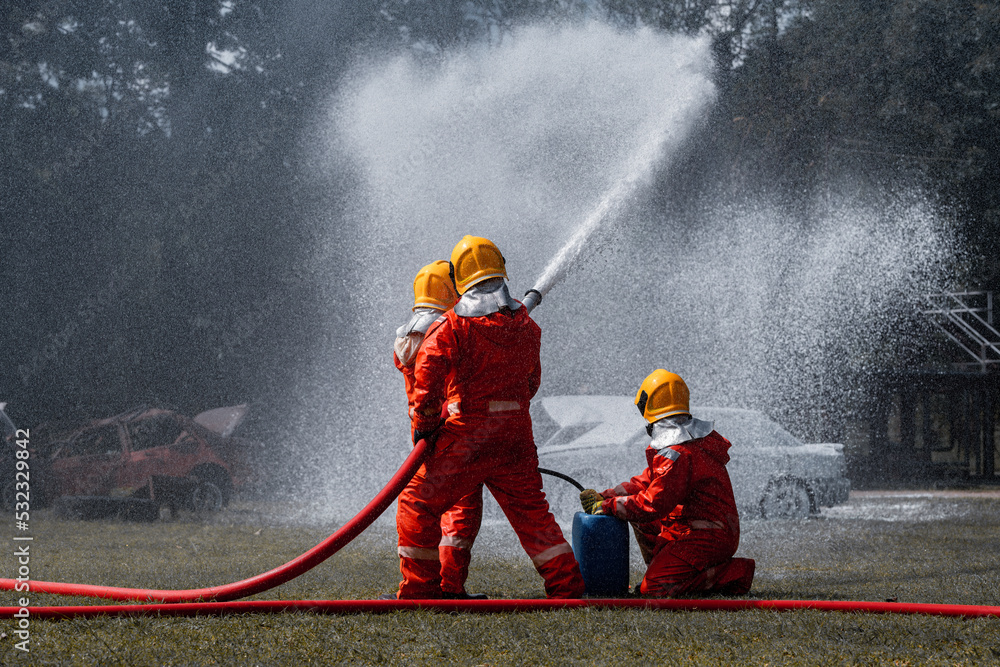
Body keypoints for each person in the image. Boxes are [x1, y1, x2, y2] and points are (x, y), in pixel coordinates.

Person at [391, 235, 585, 599]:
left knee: (417, 502)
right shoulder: (527, 326)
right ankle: (567, 588)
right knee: (533, 515)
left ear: (460, 279)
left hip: (467, 436)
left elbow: (428, 378)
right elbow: (531, 383)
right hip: (516, 438)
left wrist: (426, 425)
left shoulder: (452, 328)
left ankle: (421, 590)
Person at [579, 369, 755, 597]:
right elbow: (646, 483)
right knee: (637, 516)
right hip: (703, 529)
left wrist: (608, 506)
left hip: (708, 536)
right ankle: (668, 567)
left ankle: (735, 573)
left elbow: (653, 504)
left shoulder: (678, 452)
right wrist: (608, 495)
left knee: (655, 589)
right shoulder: (689, 443)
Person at [392, 260, 485, 600]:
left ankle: (424, 586)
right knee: (462, 509)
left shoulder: (407, 335)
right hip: (455, 437)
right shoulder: (446, 330)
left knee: (423, 508)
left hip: (426, 435)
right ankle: (446, 586)